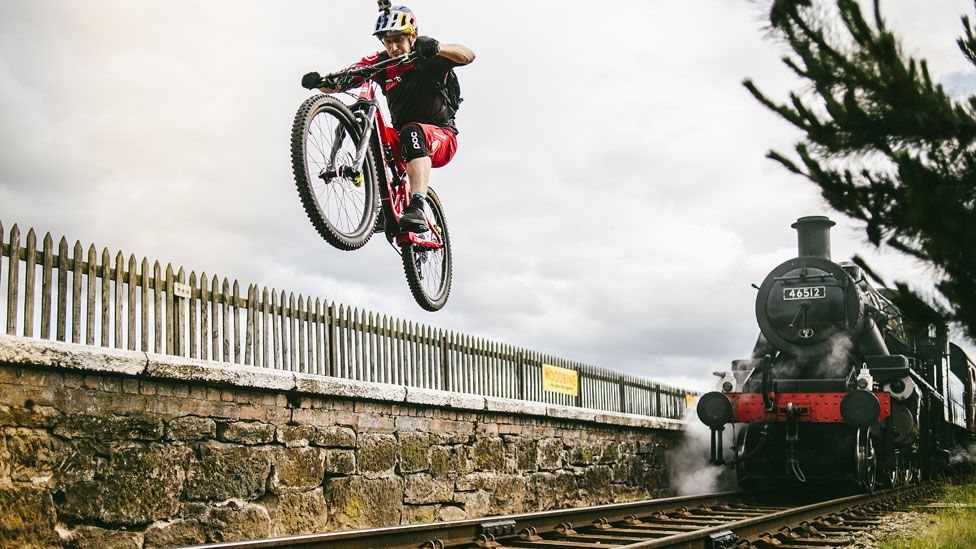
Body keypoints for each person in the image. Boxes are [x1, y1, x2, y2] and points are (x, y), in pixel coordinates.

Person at [306, 6, 475, 233]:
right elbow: (344, 80)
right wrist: (320, 83)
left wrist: (437, 48)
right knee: (376, 135)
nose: (393, 48)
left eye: (399, 40)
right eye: (387, 42)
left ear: (412, 35)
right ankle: (386, 207)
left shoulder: (429, 55)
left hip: (441, 136)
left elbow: (468, 55)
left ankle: (417, 206)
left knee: (412, 131)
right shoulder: (383, 62)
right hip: (403, 136)